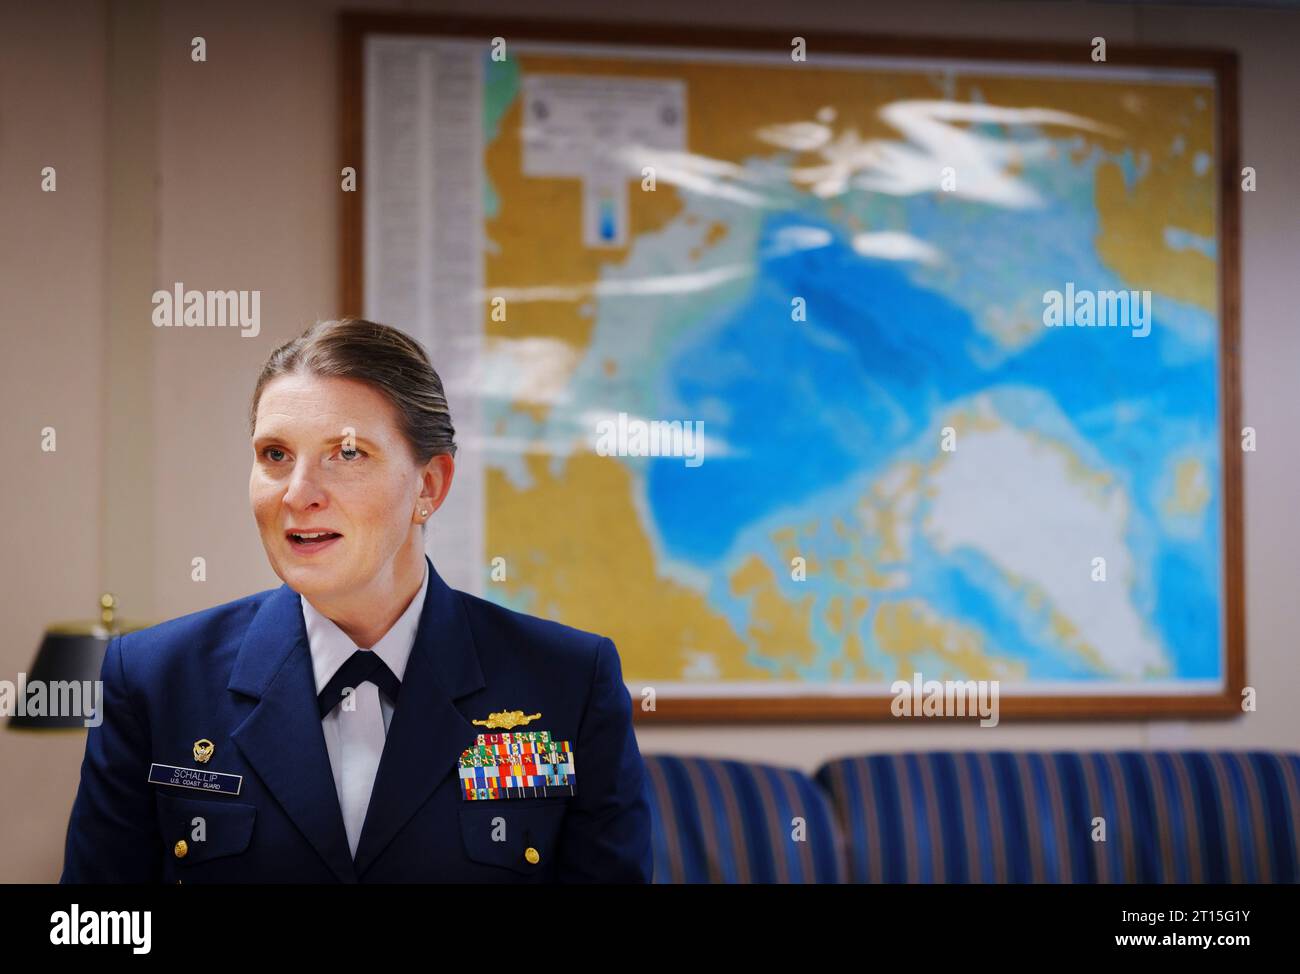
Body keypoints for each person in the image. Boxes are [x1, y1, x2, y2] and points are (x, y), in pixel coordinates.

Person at [60, 317, 653, 883]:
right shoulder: (153, 679)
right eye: (275, 455)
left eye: (346, 454)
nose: (298, 494)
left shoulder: (567, 682)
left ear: (429, 484)